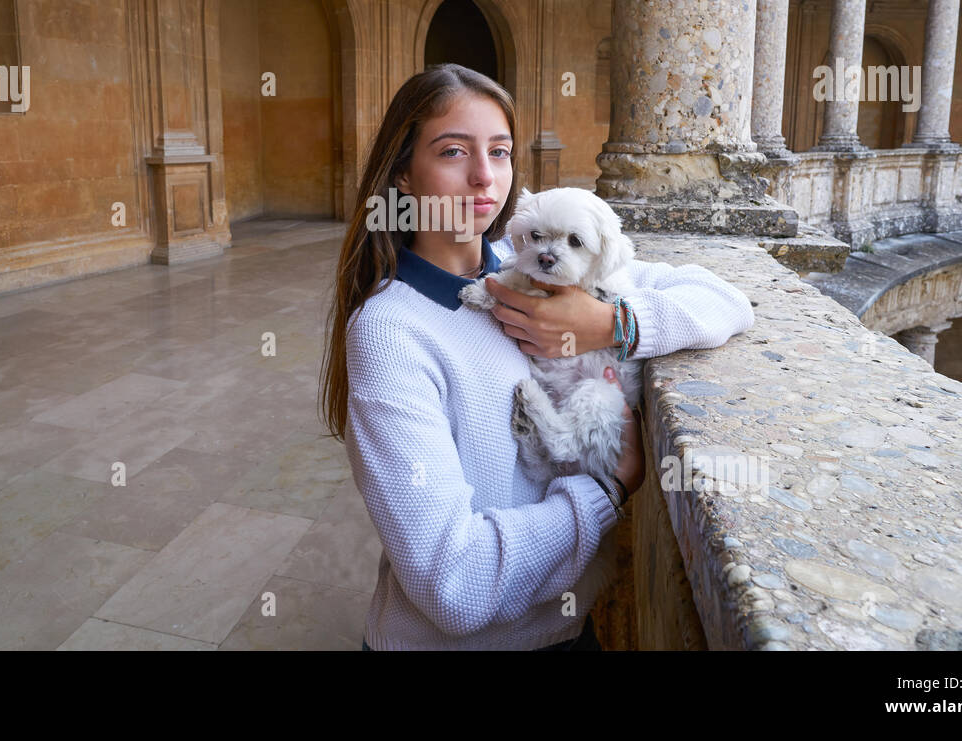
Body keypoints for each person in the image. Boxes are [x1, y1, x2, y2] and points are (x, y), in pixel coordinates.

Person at [317, 63, 755, 650]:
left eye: (499, 153)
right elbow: (454, 582)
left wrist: (612, 322)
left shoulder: (526, 260)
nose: (483, 177)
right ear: (403, 175)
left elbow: (727, 300)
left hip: (565, 625)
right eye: (453, 152)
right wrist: (605, 494)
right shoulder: (390, 332)